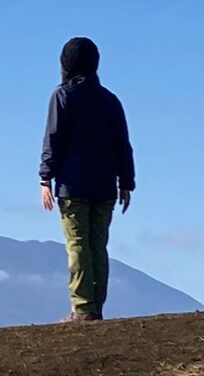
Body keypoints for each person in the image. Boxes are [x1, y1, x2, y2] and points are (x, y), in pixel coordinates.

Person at [39, 37, 135, 322]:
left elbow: (53, 139)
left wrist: (45, 178)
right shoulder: (110, 100)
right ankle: (95, 306)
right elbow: (123, 143)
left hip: (72, 185)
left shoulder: (62, 96)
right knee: (97, 246)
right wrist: (126, 183)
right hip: (105, 185)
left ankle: (82, 307)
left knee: (78, 244)